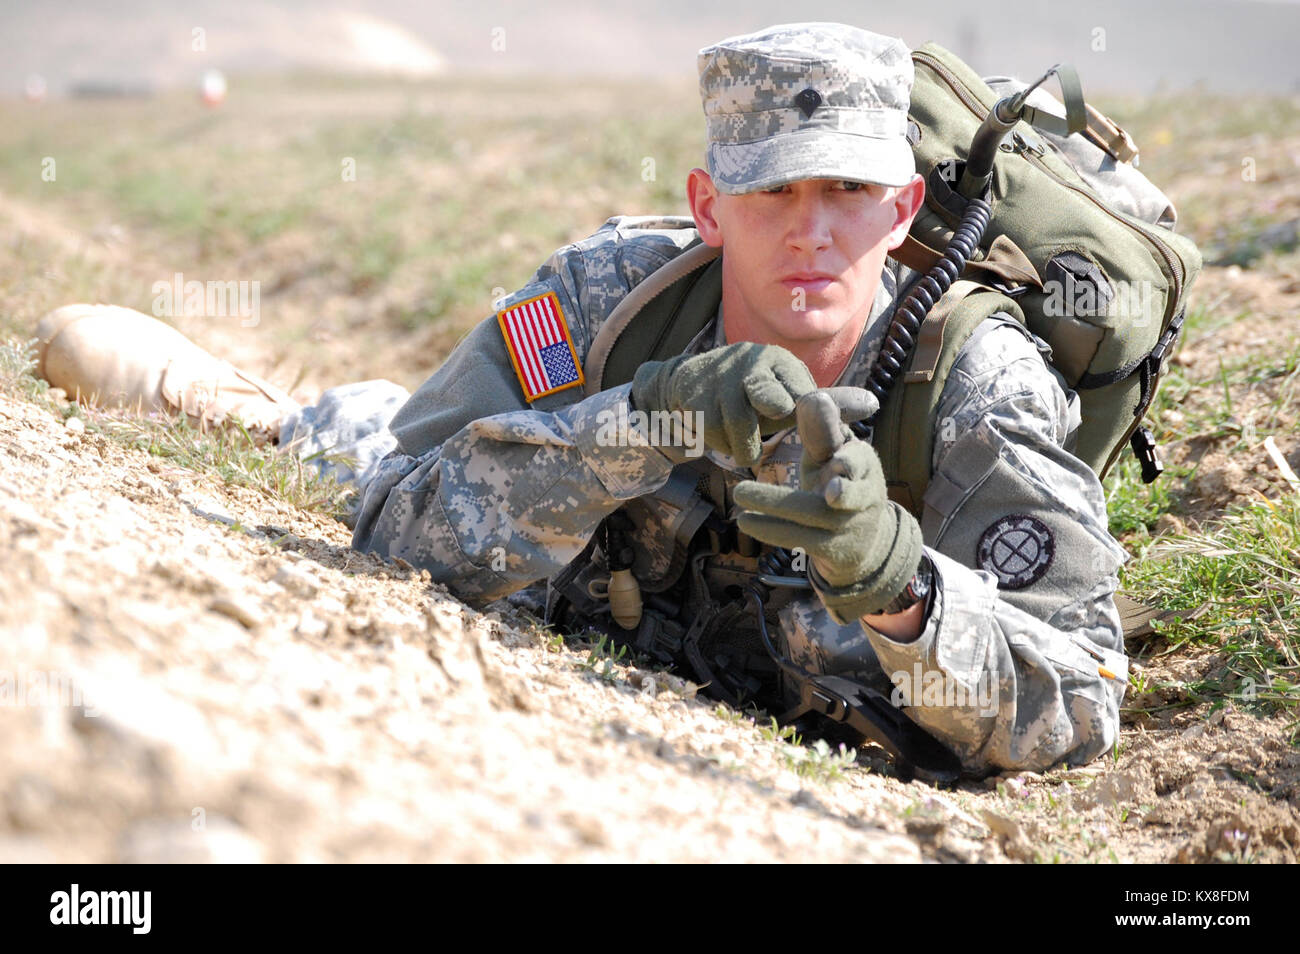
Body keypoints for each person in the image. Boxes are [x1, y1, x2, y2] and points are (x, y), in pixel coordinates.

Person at [36, 22, 1130, 777]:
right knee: (332, 444)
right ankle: (263, 410)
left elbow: (1083, 700)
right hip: (571, 598)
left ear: (900, 209)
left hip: (805, 702)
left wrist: (901, 590)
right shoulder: (614, 298)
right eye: (772, 190)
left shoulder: (975, 385)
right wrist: (641, 421)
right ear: (708, 205)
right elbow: (397, 518)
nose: (810, 230)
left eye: (847, 191)